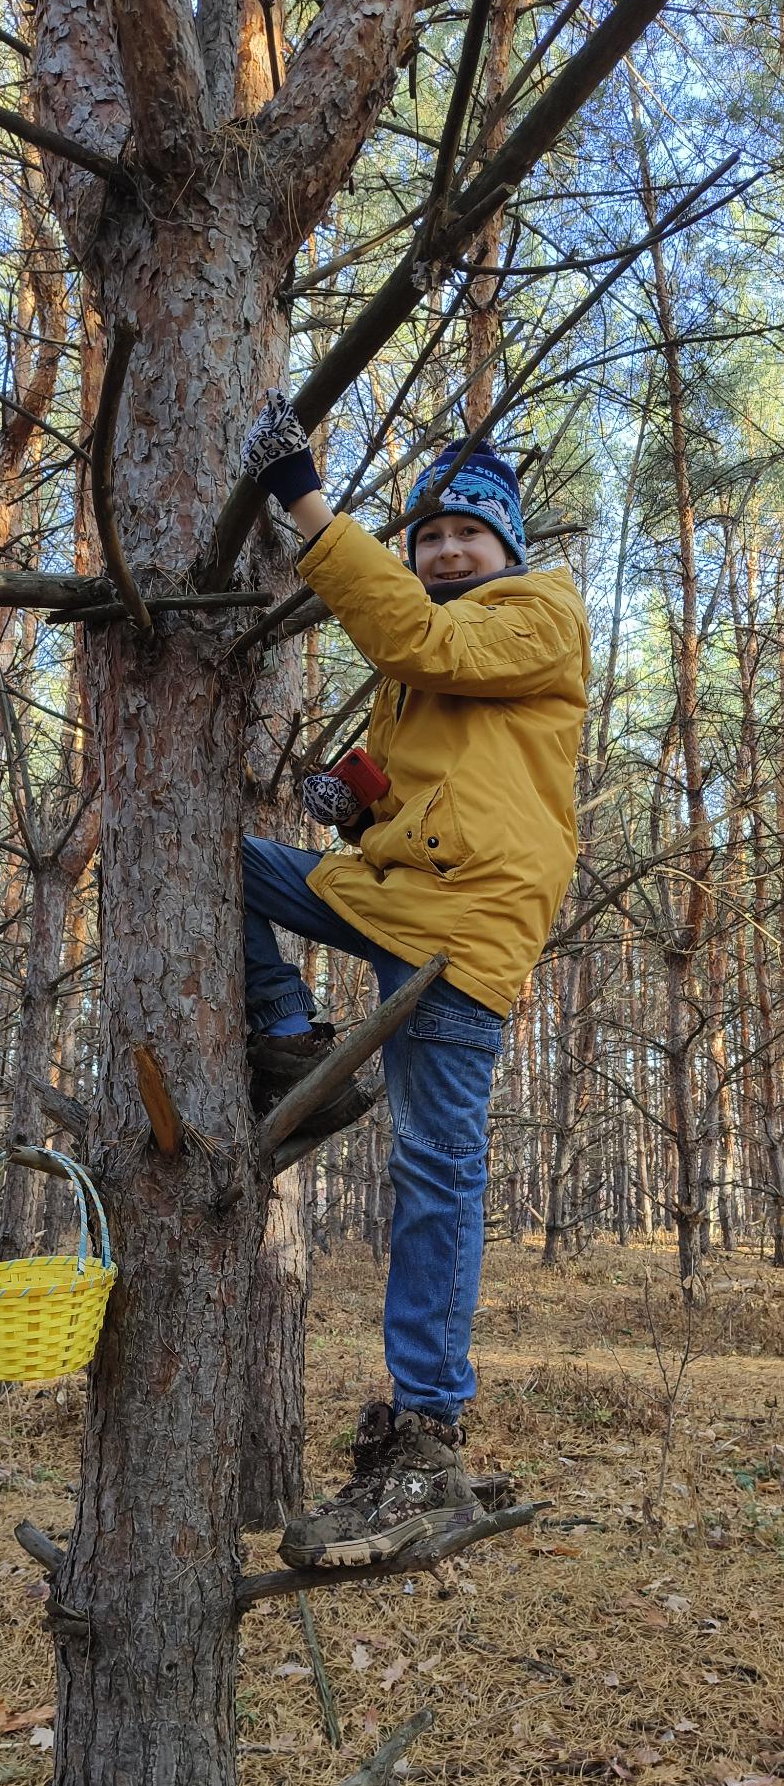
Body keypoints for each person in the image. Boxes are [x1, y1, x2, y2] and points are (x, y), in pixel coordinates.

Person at [240, 391, 591, 1569]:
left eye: (466, 536)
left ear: (507, 550)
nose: (444, 551)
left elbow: (420, 643)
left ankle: (426, 1438)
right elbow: (432, 760)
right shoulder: (428, 657)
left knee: (437, 1168)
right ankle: (291, 1041)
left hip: (467, 925)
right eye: (428, 537)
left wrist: (303, 502)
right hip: (393, 893)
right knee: (229, 867)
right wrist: (361, 791)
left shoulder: (537, 613)